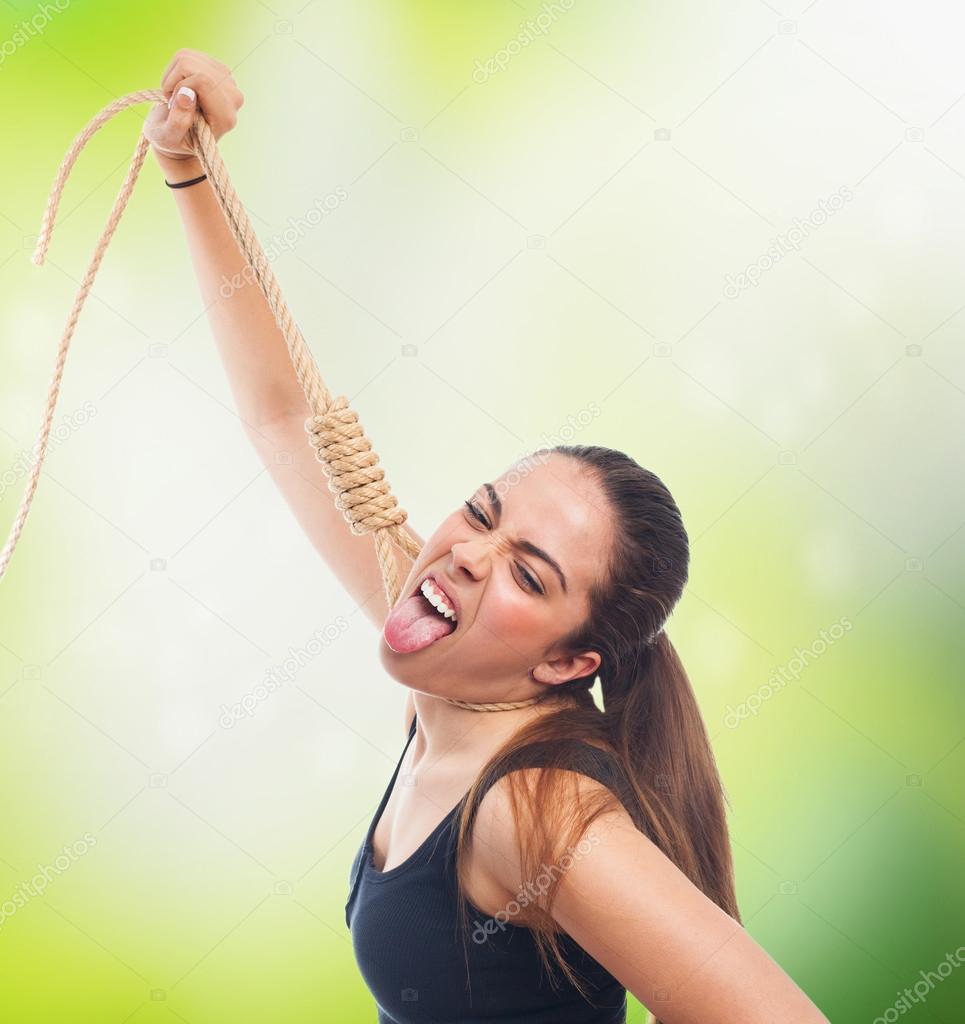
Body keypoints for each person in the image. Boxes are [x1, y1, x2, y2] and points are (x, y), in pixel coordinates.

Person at [144, 49, 831, 1024]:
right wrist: (188, 168)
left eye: (528, 572)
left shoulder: (536, 812)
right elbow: (279, 415)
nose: (467, 550)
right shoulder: (448, 663)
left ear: (569, 659)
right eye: (481, 511)